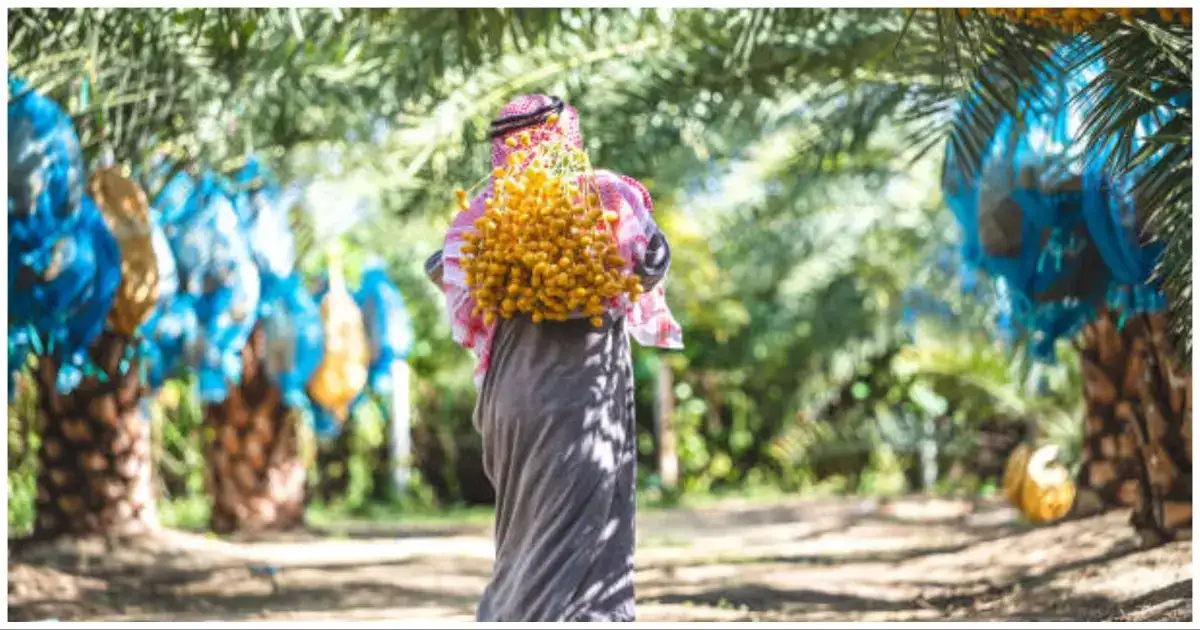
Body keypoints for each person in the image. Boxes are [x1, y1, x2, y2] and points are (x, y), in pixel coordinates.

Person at [425, 94, 682, 622]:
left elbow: (446, 277)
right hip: (580, 399)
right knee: (578, 530)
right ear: (568, 136)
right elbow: (650, 265)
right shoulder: (606, 195)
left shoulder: (481, 218)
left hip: (512, 402)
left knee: (529, 533)